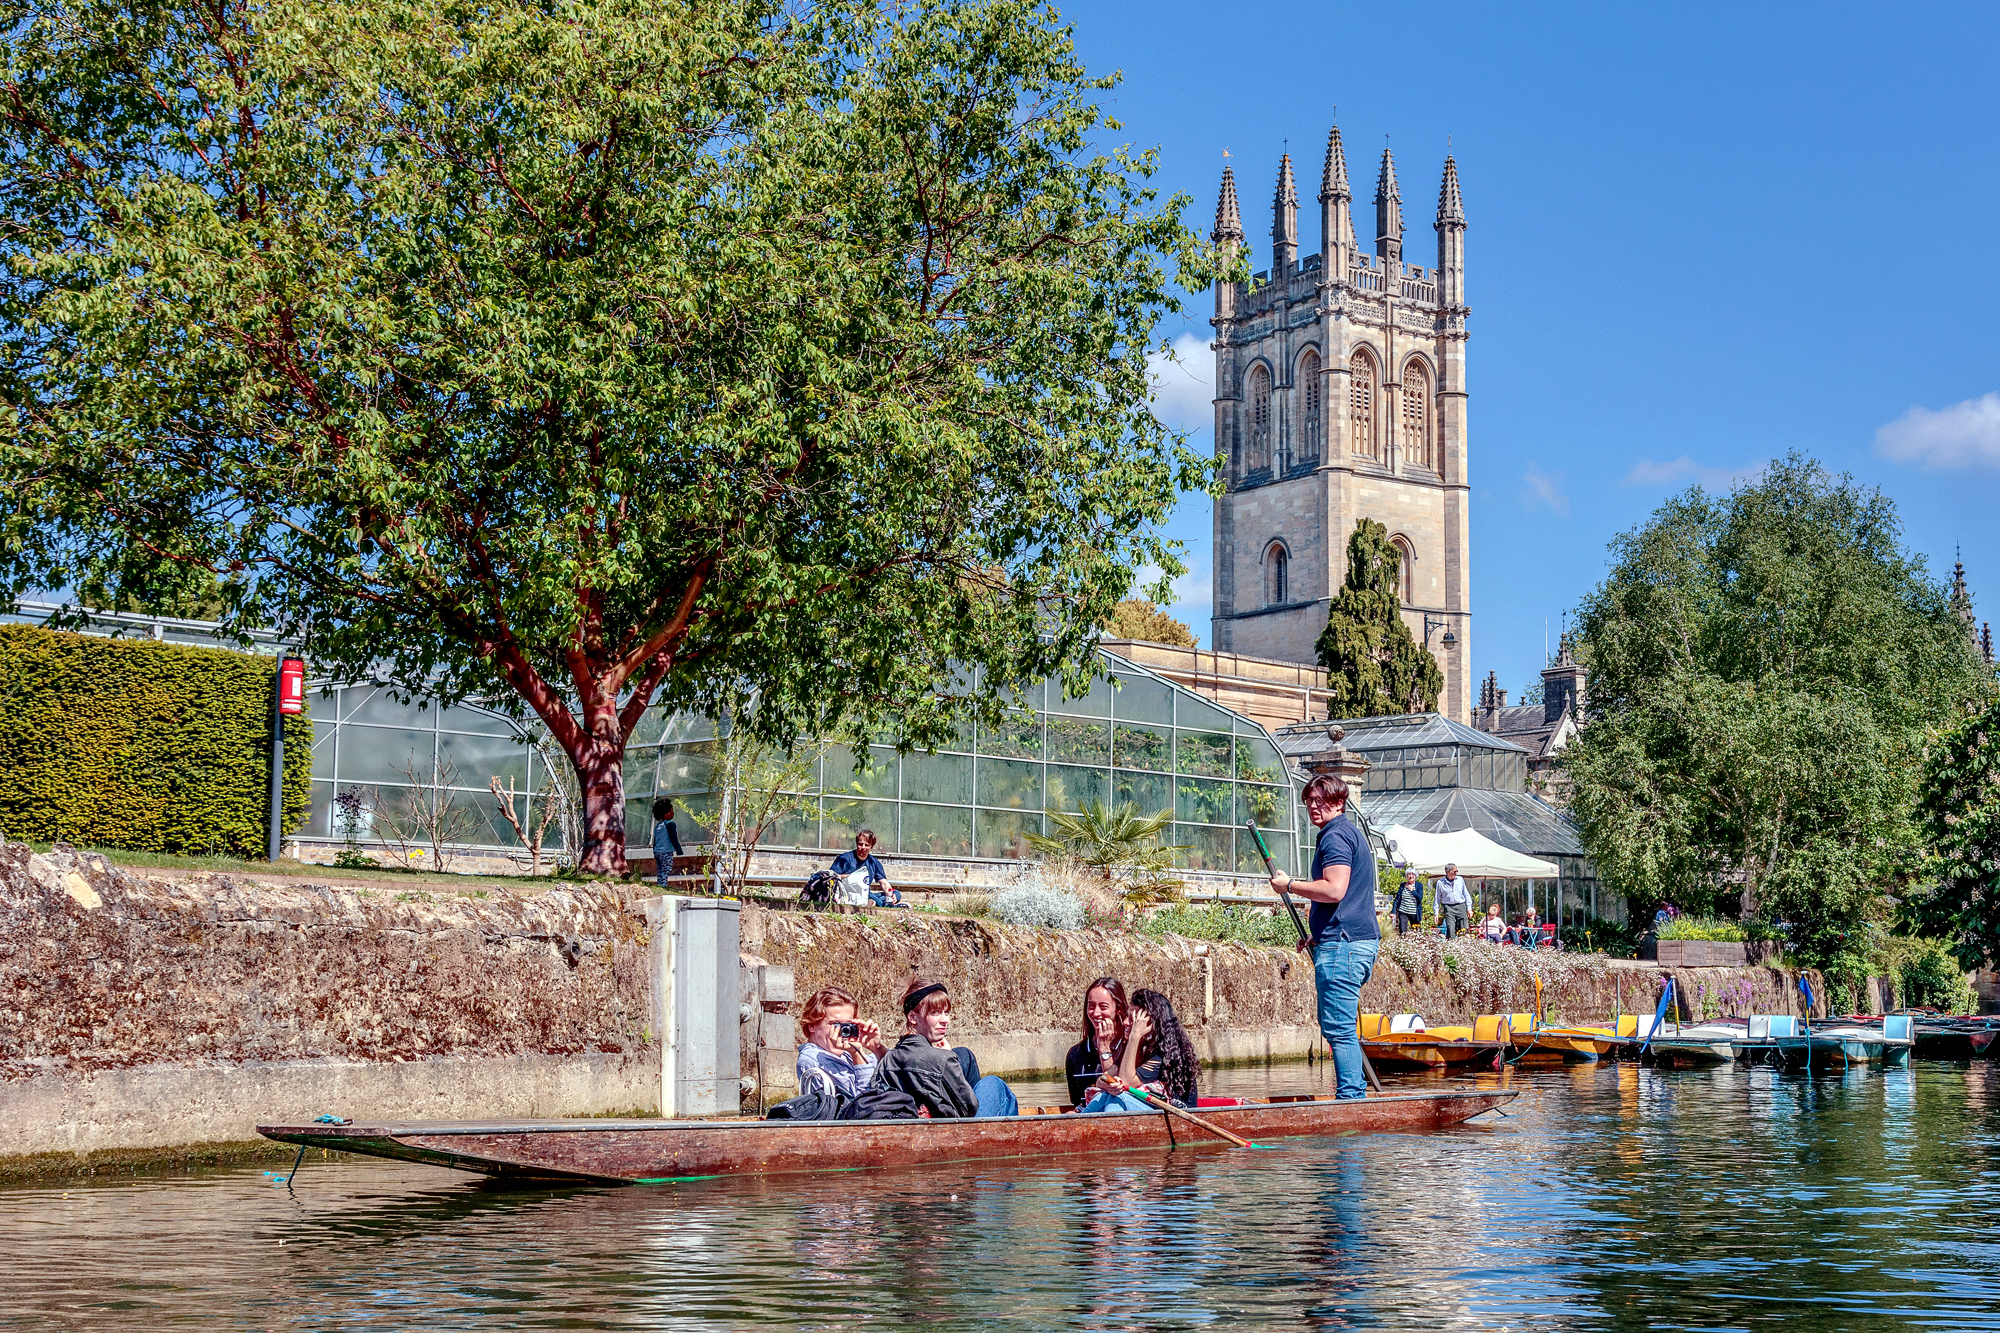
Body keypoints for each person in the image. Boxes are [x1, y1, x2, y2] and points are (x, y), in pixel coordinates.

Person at [1266, 773, 1379, 1101]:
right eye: (1309, 801)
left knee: (1339, 1029)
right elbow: (1346, 899)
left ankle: (1351, 1100)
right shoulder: (1347, 833)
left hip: (1344, 946)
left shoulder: (1335, 836)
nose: (1314, 806)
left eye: (1321, 800)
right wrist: (1319, 934)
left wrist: (1289, 885)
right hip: (1347, 941)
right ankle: (1352, 1096)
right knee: (1339, 1027)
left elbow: (1334, 889)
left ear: (1339, 802)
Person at [874, 976, 1018, 1117]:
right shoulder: (943, 1059)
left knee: (965, 1054)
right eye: (935, 1013)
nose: (945, 1020)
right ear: (912, 1017)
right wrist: (949, 1059)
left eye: (946, 1012)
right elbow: (970, 1108)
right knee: (994, 1084)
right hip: (950, 1131)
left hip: (913, 1126)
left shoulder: (886, 1061)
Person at [795, 985, 887, 1099]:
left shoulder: (844, 1054)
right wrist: (857, 1056)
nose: (841, 1031)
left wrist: (877, 1048)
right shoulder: (815, 1060)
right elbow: (864, 1104)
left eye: (847, 1025)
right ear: (812, 1025)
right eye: (835, 1024)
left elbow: (900, 1072)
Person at [1064, 977, 1129, 1108]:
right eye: (1091, 1006)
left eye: (1103, 1007)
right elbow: (1078, 1101)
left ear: (1119, 1008)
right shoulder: (1076, 1053)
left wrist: (1104, 1048)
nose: (1096, 1013)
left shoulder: (1130, 1048)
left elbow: (1122, 1091)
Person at [830, 829, 900, 908]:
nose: (863, 847)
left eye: (866, 845)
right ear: (856, 844)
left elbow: (884, 883)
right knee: (867, 893)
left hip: (864, 894)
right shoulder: (844, 859)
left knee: (896, 893)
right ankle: (885, 905)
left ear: (871, 846)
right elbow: (830, 876)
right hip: (847, 894)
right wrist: (853, 878)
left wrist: (891, 895)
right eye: (860, 844)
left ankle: (872, 902)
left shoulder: (873, 862)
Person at [651, 796, 683, 889]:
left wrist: (654, 850)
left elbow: (655, 840)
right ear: (666, 814)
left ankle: (660, 883)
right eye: (671, 811)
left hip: (658, 852)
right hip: (666, 852)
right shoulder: (670, 824)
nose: (673, 813)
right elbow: (673, 838)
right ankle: (663, 885)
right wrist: (679, 850)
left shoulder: (658, 826)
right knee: (666, 869)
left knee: (660, 869)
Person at [1433, 863, 1471, 939]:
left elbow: (1466, 894)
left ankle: (1464, 944)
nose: (1456, 873)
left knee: (1464, 929)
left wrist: (1469, 908)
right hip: (1449, 907)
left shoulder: (1460, 880)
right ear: (1447, 872)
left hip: (1460, 905)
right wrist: (1436, 913)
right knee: (1450, 929)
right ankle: (1451, 943)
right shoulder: (1440, 883)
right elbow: (1437, 898)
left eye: (1457, 871)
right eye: (1454, 871)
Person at [1391, 869, 1424, 936]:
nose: (1411, 876)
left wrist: (1412, 890)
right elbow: (1397, 899)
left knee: (1416, 933)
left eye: (1413, 874)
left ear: (1415, 876)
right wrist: (1393, 911)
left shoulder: (1419, 885)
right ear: (1406, 876)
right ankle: (1403, 941)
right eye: (1409, 874)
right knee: (1402, 932)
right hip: (1403, 911)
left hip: (1414, 913)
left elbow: (1419, 898)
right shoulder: (1403, 885)